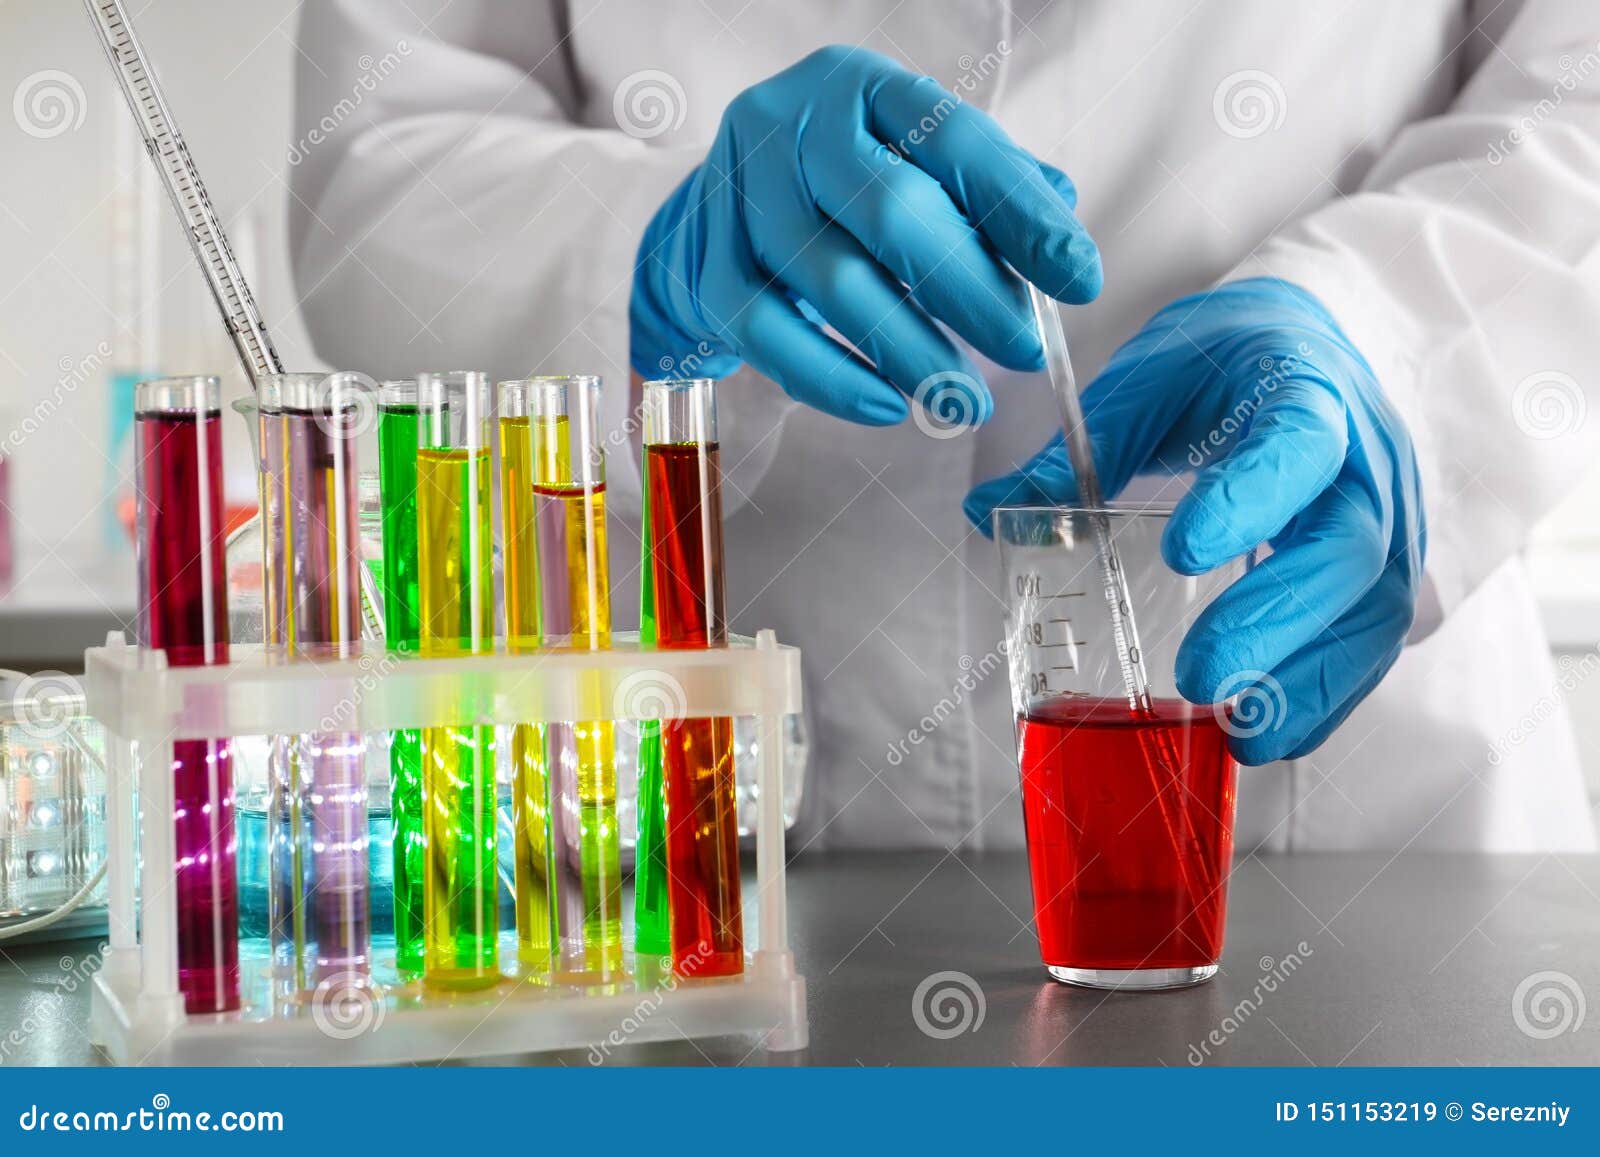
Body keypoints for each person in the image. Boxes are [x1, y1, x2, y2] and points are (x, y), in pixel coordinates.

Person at [290, 0, 1600, 853]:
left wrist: (1385, 334)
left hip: (1368, 850)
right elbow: (378, 161)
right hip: (713, 824)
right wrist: (658, 249)